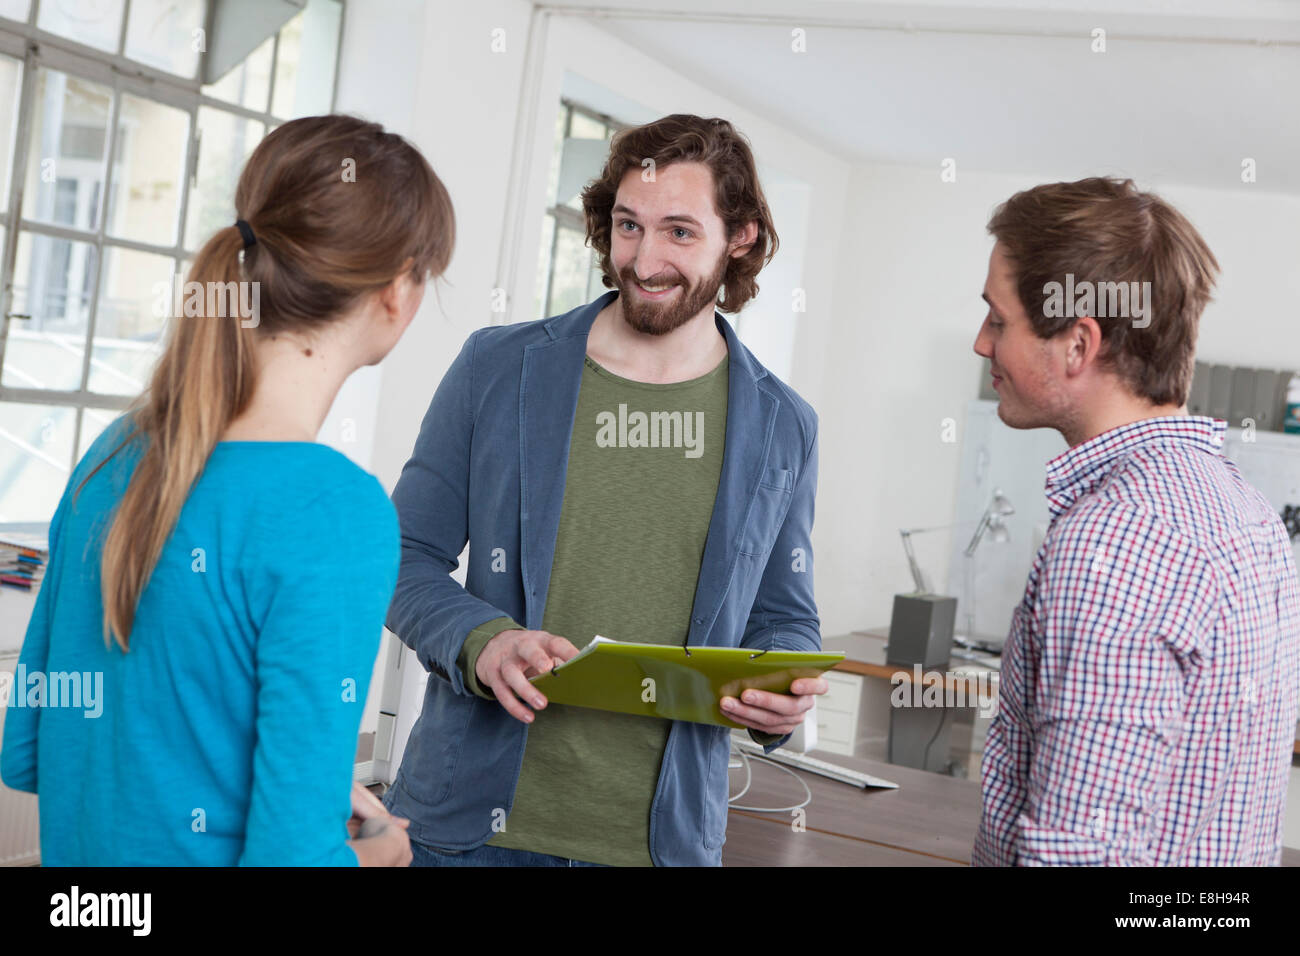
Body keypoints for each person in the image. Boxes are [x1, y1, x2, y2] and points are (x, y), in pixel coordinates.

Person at [0, 113, 455, 866]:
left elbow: (29, 746)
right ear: (398, 289)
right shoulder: (334, 511)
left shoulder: (114, 455)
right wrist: (380, 852)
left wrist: (283, 786)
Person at [382, 114, 825, 867]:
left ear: (740, 237)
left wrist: (781, 680)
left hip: (660, 847)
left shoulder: (784, 425)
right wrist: (482, 643)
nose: (645, 260)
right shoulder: (497, 369)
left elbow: (784, 613)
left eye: (680, 232)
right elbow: (397, 555)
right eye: (628, 226)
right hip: (466, 835)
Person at [970, 177, 1300, 865]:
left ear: (1077, 345)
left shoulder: (1117, 540)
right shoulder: (1247, 513)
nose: (981, 343)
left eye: (999, 321)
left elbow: (1077, 854)